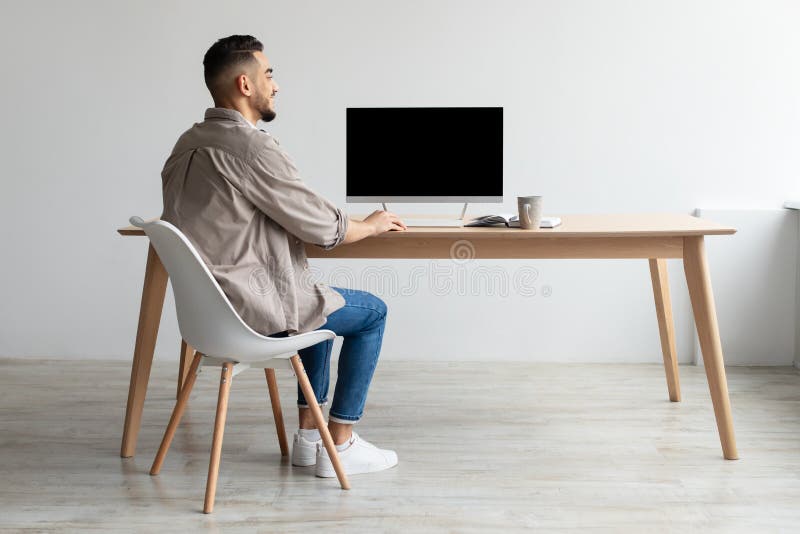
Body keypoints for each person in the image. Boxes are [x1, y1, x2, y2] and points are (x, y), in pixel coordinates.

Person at [160, 34, 406, 477]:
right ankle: (342, 442)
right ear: (245, 84)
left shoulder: (185, 146)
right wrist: (371, 225)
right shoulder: (251, 147)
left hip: (207, 318)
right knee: (371, 312)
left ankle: (310, 440)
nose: (276, 85)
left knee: (311, 296)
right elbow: (320, 225)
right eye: (269, 74)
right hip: (254, 312)